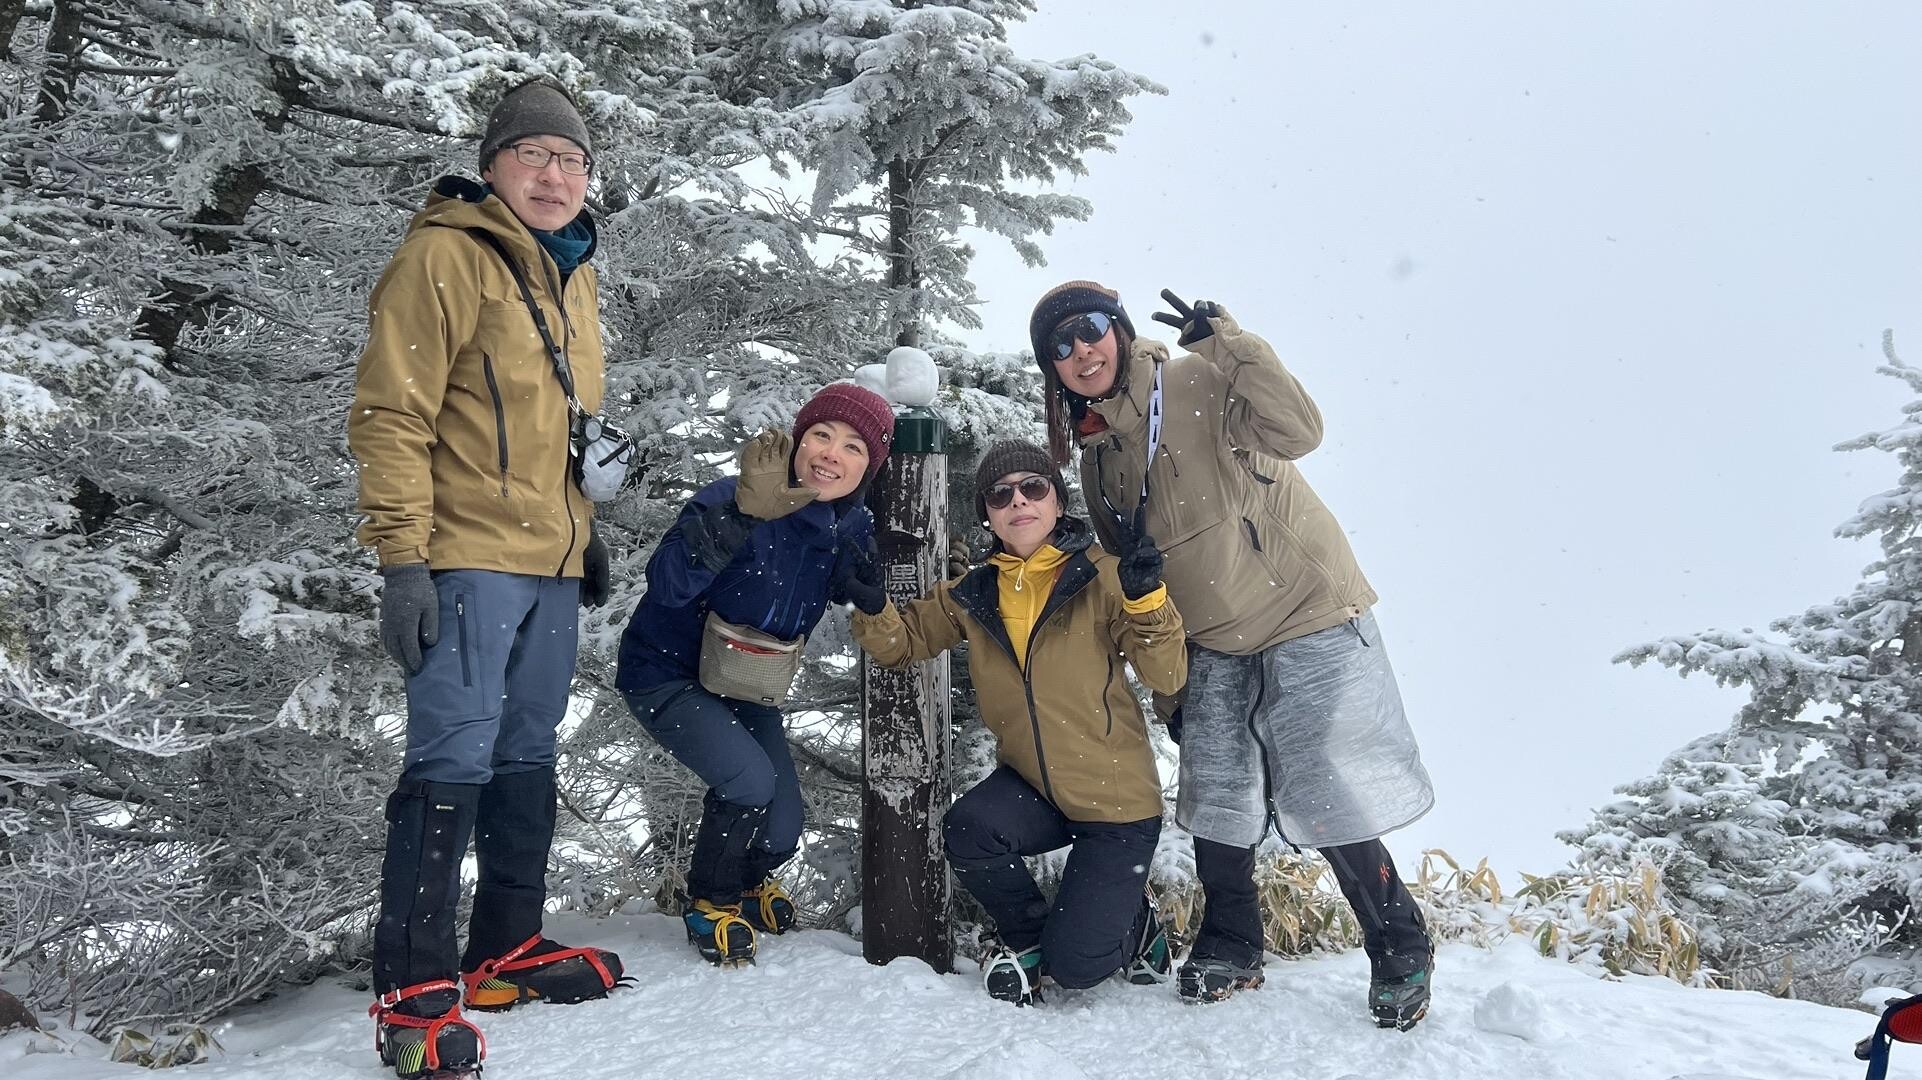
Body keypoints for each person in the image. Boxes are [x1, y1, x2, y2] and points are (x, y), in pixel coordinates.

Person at [1029, 280, 1437, 1027]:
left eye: (1089, 330)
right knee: (1215, 787)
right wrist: (1170, 687)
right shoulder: (1097, 452)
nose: (1080, 351)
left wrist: (1231, 343)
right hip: (1211, 637)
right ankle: (1231, 941)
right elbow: (1135, 581)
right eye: (1060, 345)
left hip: (1300, 609)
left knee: (1316, 779)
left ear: (1117, 330)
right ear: (1052, 369)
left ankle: (1399, 941)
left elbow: (1299, 430)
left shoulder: (1196, 378)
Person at [348, 79, 625, 1079]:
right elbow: (391, 414)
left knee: (524, 749)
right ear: (495, 165)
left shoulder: (573, 271)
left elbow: (559, 424)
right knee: (450, 757)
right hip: (463, 556)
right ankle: (411, 990)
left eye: (571, 160)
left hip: (548, 563)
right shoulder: (445, 256)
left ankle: (503, 944)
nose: (554, 176)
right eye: (534, 157)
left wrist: (578, 526)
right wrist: (403, 560)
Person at [846, 440, 1187, 1005]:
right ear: (987, 514)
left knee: (1077, 971)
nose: (1018, 502)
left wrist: (1147, 598)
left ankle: (1135, 925)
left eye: (1034, 487)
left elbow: (1167, 672)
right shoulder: (975, 591)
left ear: (1057, 501)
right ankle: (1031, 940)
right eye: (1000, 494)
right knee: (968, 830)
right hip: (1034, 787)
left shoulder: (1104, 575)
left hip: (1116, 805)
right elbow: (904, 644)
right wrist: (870, 602)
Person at [615, 383, 895, 967]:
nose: (831, 454)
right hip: (665, 673)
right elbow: (667, 584)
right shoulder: (730, 497)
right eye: (821, 434)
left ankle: (745, 882)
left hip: (746, 681)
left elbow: (831, 574)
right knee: (748, 784)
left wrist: (859, 583)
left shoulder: (847, 525)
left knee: (781, 828)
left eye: (853, 448)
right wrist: (738, 518)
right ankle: (710, 903)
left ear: (867, 468)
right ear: (797, 440)